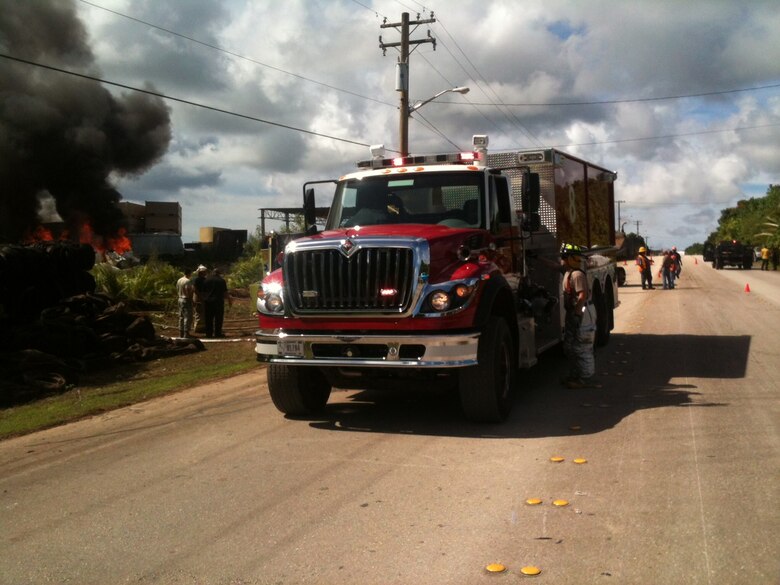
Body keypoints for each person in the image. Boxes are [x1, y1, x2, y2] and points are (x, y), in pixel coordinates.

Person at [560, 243, 597, 389]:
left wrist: (576, 314)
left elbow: (582, 296)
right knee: (571, 347)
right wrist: (537, 258)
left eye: (564, 257)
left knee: (583, 346)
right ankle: (576, 375)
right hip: (577, 312)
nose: (561, 260)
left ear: (570, 258)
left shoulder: (576, 275)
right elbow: (555, 266)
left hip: (583, 313)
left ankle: (585, 379)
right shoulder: (568, 272)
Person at [201, 267, 232, 338]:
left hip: (208, 302)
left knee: (208, 319)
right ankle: (218, 333)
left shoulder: (206, 280)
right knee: (218, 319)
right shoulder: (221, 281)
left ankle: (209, 334)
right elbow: (225, 292)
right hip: (218, 302)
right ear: (219, 273)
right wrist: (229, 300)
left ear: (212, 273)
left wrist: (203, 301)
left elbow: (203, 293)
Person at [175, 268, 194, 337]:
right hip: (186, 299)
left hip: (180, 298)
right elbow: (187, 290)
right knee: (188, 317)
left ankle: (181, 332)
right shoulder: (187, 281)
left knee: (181, 316)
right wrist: (190, 298)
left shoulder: (179, 280)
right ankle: (186, 333)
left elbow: (177, 288)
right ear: (189, 273)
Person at [192, 265, 208, 333]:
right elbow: (195, 289)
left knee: (203, 313)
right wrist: (200, 296)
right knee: (198, 312)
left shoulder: (204, 279)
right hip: (198, 297)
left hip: (201, 296)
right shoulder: (197, 280)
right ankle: (197, 328)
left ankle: (202, 328)